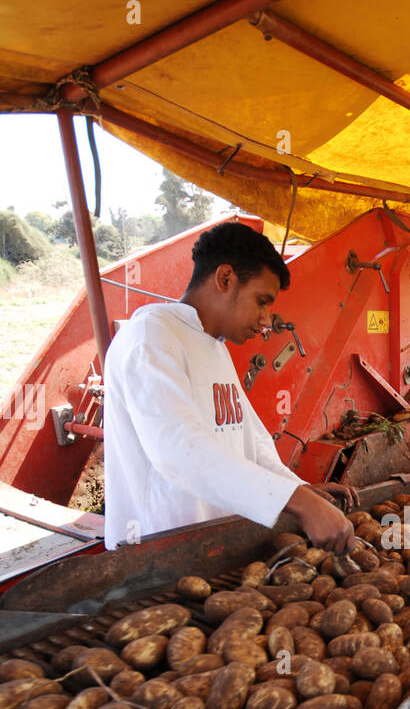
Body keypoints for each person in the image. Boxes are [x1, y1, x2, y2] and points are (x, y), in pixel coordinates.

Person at [103, 221, 356, 552]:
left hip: (211, 547)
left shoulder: (214, 345)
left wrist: (299, 490)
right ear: (225, 279)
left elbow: (251, 443)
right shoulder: (150, 339)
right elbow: (180, 451)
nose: (266, 320)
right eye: (261, 301)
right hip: (157, 555)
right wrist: (299, 503)